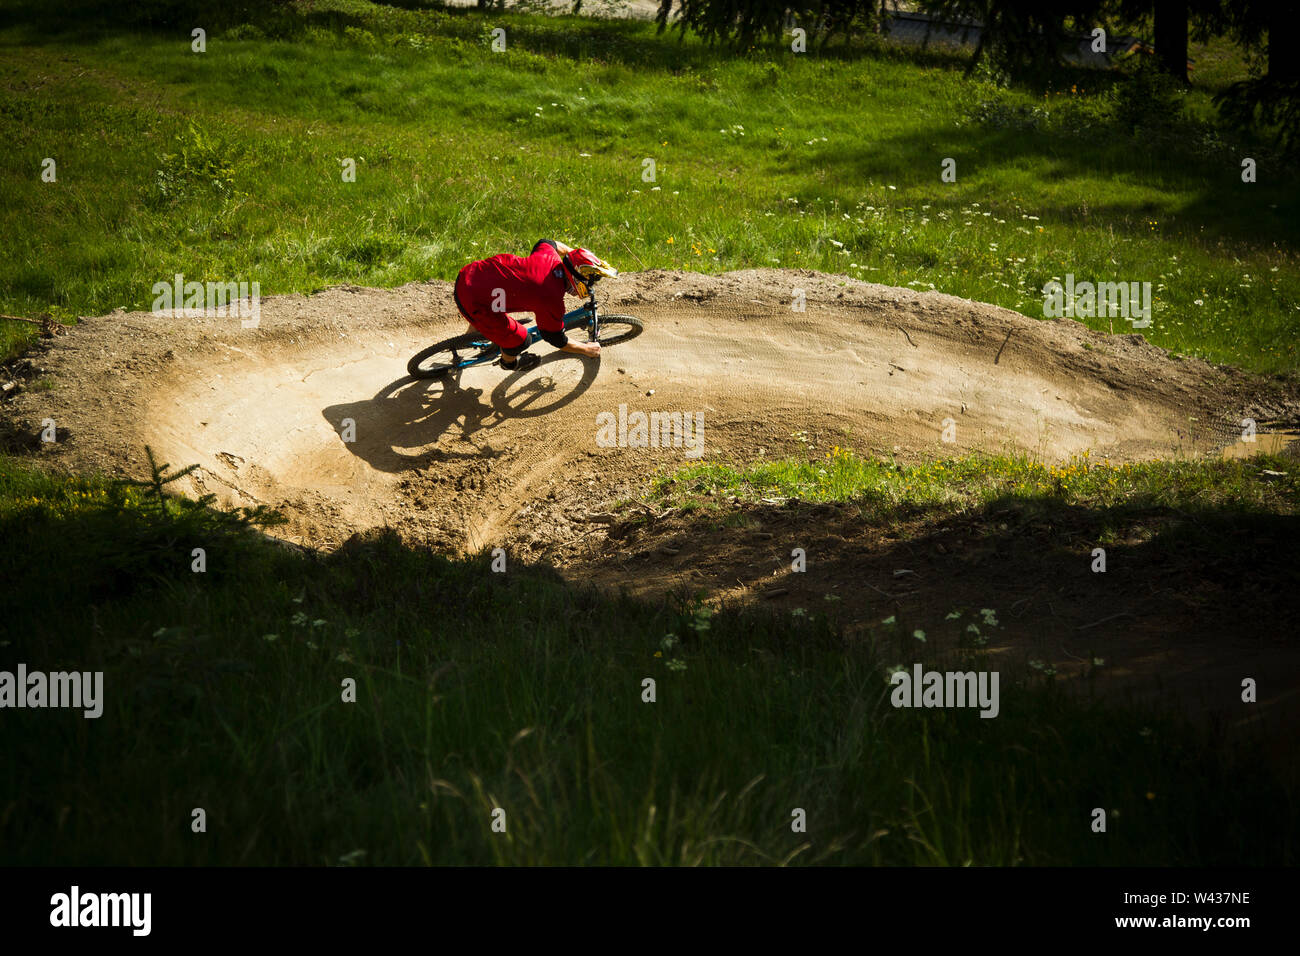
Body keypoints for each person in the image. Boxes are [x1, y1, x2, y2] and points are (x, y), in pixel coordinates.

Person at [453, 239, 615, 372]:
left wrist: (574, 255)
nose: (589, 286)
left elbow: (548, 242)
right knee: (522, 340)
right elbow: (556, 338)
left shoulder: (549, 257)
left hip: (470, 275)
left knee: (493, 300)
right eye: (588, 282)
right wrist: (586, 349)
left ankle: (469, 337)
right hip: (471, 300)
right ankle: (508, 363)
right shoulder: (551, 298)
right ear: (577, 279)